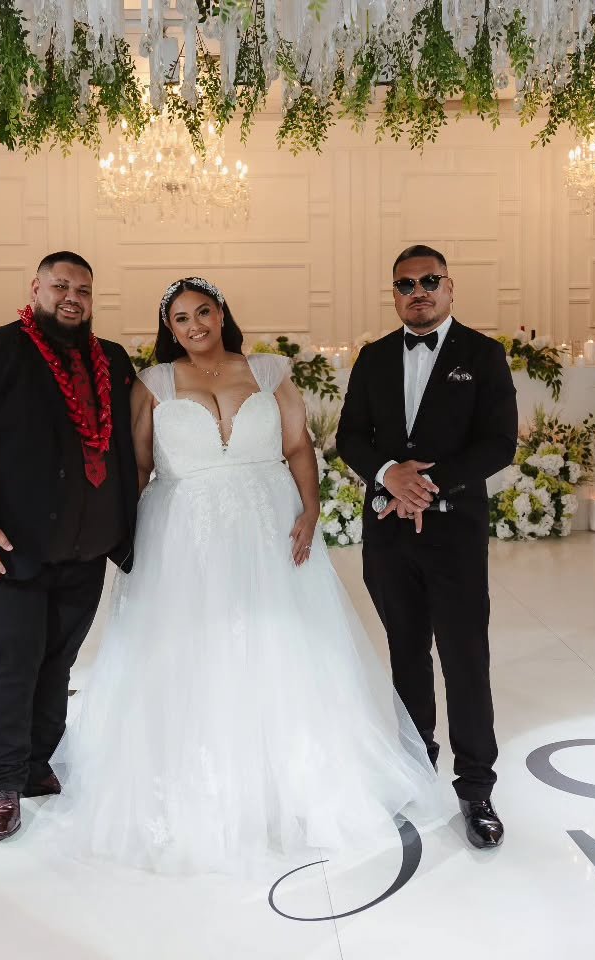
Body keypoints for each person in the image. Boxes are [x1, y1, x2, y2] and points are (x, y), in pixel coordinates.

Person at [48, 277, 438, 874]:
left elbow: (299, 448)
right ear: (170, 329)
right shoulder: (151, 384)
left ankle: (297, 778)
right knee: (191, 652)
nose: (195, 325)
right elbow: (142, 466)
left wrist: (309, 509)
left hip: (269, 527)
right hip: (183, 536)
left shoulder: (269, 372)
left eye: (203, 312)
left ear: (222, 313)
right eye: (181, 318)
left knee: (284, 648)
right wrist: (113, 534)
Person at [0, 251, 138, 842]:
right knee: (11, 662)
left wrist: (126, 535)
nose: (72, 297)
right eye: (60, 285)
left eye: (83, 289)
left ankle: (35, 762)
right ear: (36, 288)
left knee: (57, 661)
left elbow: (128, 449)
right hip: (3, 548)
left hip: (84, 547)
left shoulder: (114, 361)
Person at [336, 245, 517, 849]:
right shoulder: (374, 356)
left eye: (429, 280)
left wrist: (426, 485)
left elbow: (499, 444)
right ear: (394, 294)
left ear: (449, 286)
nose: (419, 291)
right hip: (387, 533)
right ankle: (415, 770)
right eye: (405, 284)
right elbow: (350, 437)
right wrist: (391, 474)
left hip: (455, 534)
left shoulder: (483, 355)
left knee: (465, 658)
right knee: (405, 654)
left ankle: (476, 788)